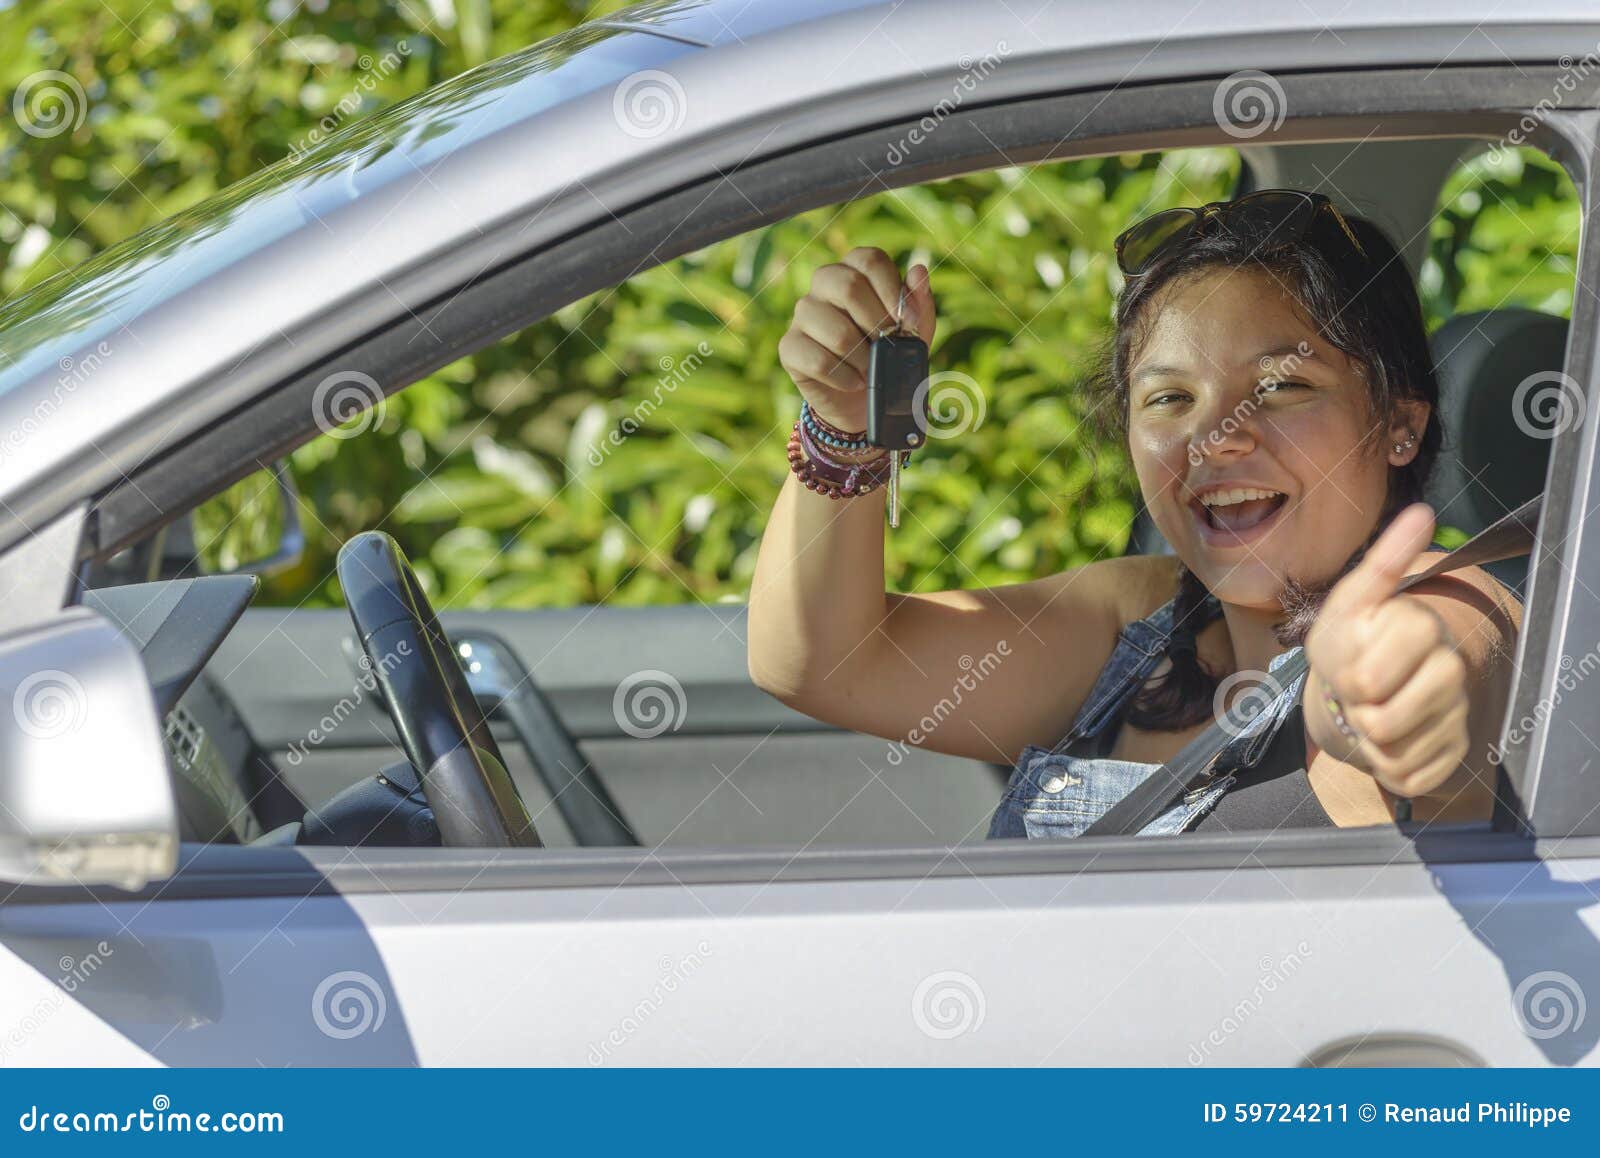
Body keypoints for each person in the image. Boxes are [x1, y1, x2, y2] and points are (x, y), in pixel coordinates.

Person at [747, 188, 1522, 837]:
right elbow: (827, 663)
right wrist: (846, 430)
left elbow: (1439, 673)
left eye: (1284, 385)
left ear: (1399, 425)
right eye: (1170, 398)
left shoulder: (1454, 598)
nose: (1216, 437)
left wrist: (1374, 699)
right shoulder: (1138, 617)